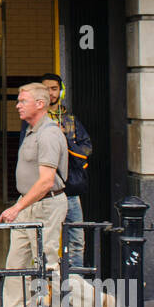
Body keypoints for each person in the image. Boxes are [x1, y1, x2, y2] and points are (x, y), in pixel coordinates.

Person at [0, 83, 114, 307]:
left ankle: (98, 302)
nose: (17, 104)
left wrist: (18, 207)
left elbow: (47, 180)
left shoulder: (48, 134)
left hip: (43, 205)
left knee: (48, 268)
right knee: (16, 264)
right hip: (29, 204)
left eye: (22, 100)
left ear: (40, 103)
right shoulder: (32, 131)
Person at [28, 73, 93, 269]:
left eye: (54, 88)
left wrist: (65, 143)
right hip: (45, 193)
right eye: (46, 89)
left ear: (60, 91)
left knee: (76, 240)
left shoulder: (71, 120)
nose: (50, 93)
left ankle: (75, 283)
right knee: (44, 242)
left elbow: (87, 148)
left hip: (70, 190)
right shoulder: (33, 121)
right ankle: (46, 286)